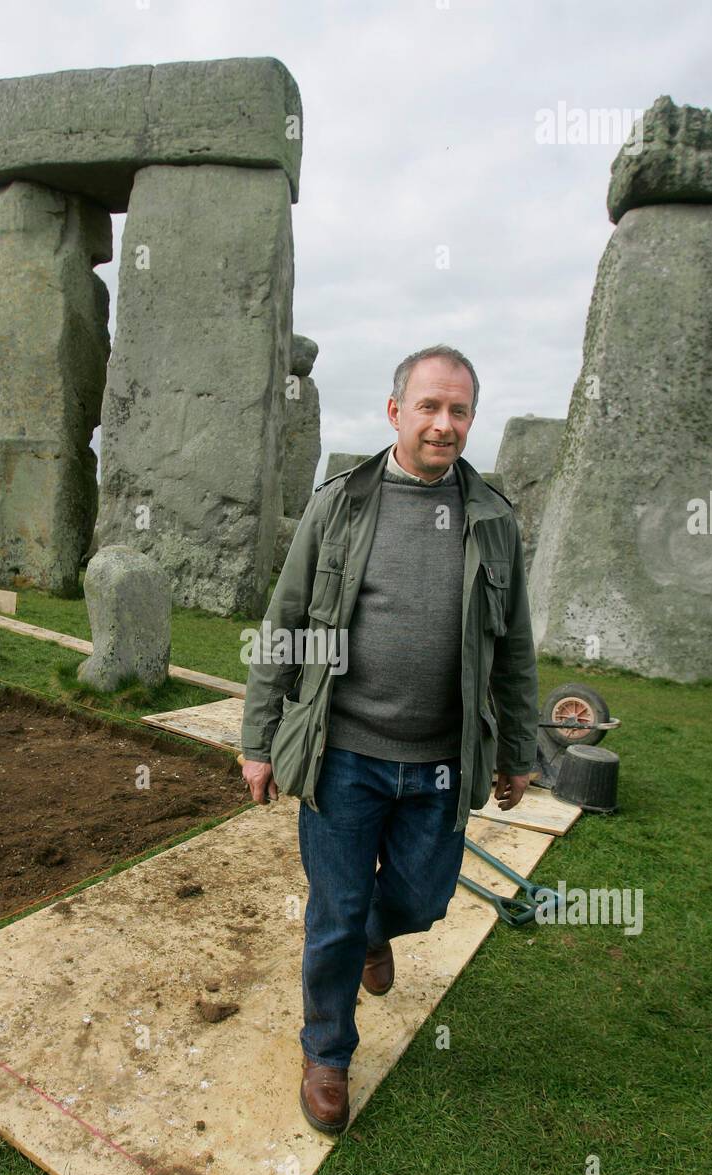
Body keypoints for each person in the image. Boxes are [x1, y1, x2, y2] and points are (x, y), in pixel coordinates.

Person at [240, 345, 539, 1135]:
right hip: (344, 754)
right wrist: (258, 739)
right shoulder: (339, 504)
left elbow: (513, 649)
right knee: (334, 912)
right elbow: (287, 624)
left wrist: (517, 751)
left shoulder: (493, 519)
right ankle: (328, 1055)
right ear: (395, 410)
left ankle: (378, 934)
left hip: (443, 762)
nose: (445, 424)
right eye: (430, 407)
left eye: (460, 410)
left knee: (420, 900)